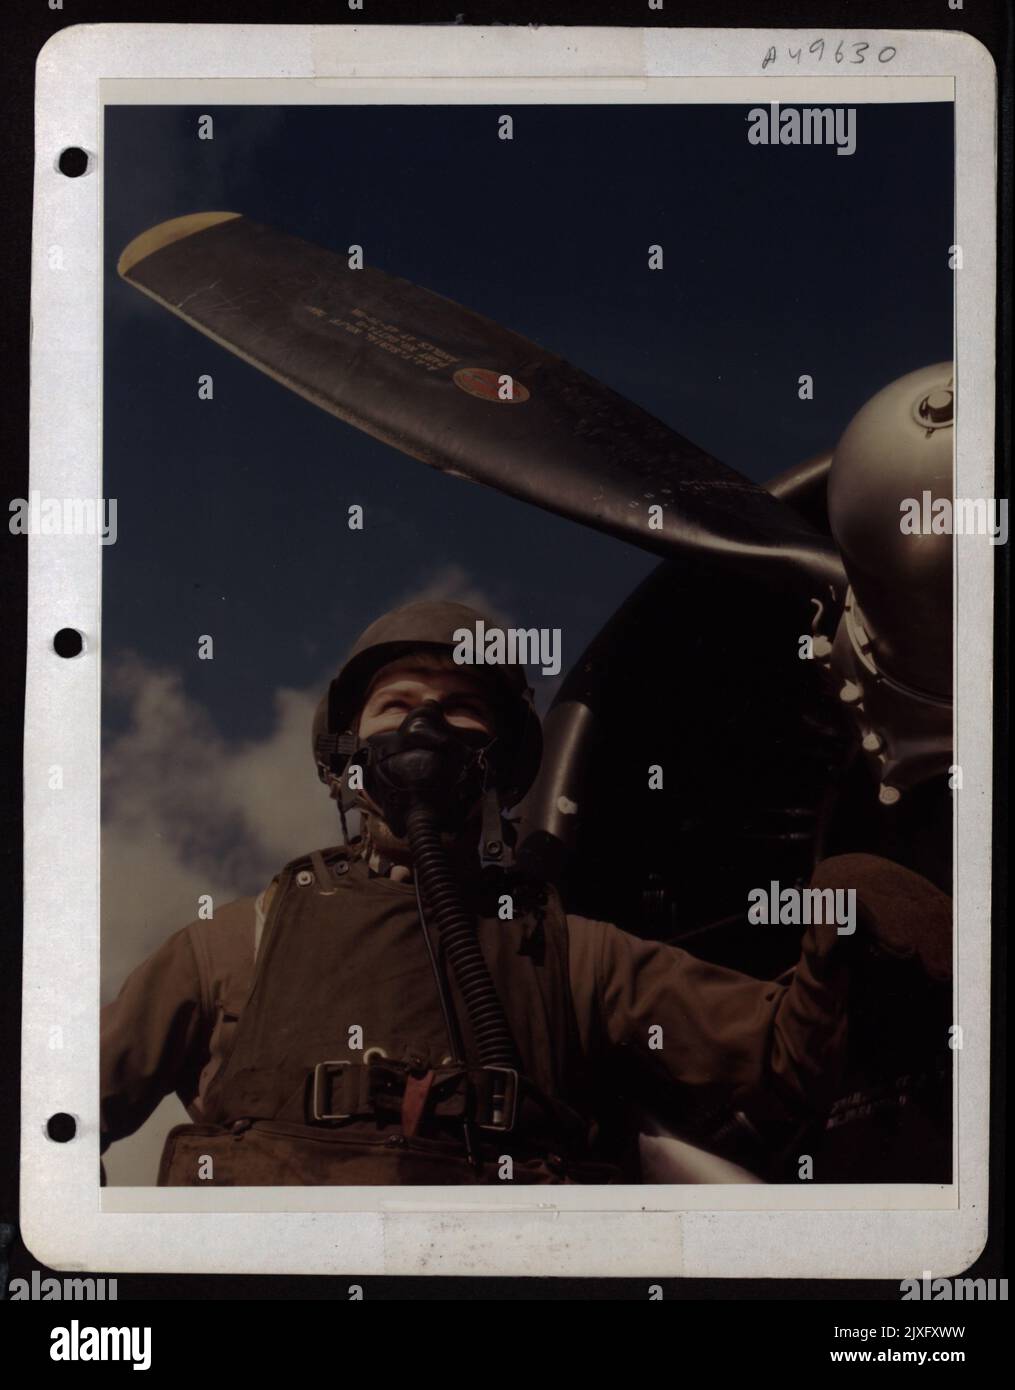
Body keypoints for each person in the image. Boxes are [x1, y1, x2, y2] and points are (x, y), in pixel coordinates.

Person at [101, 601, 855, 1186]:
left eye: (462, 709)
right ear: (345, 757)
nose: (426, 726)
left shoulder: (574, 955)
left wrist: (853, 907)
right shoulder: (236, 946)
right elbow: (53, 1118)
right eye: (395, 705)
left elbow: (785, 1058)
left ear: (501, 763)